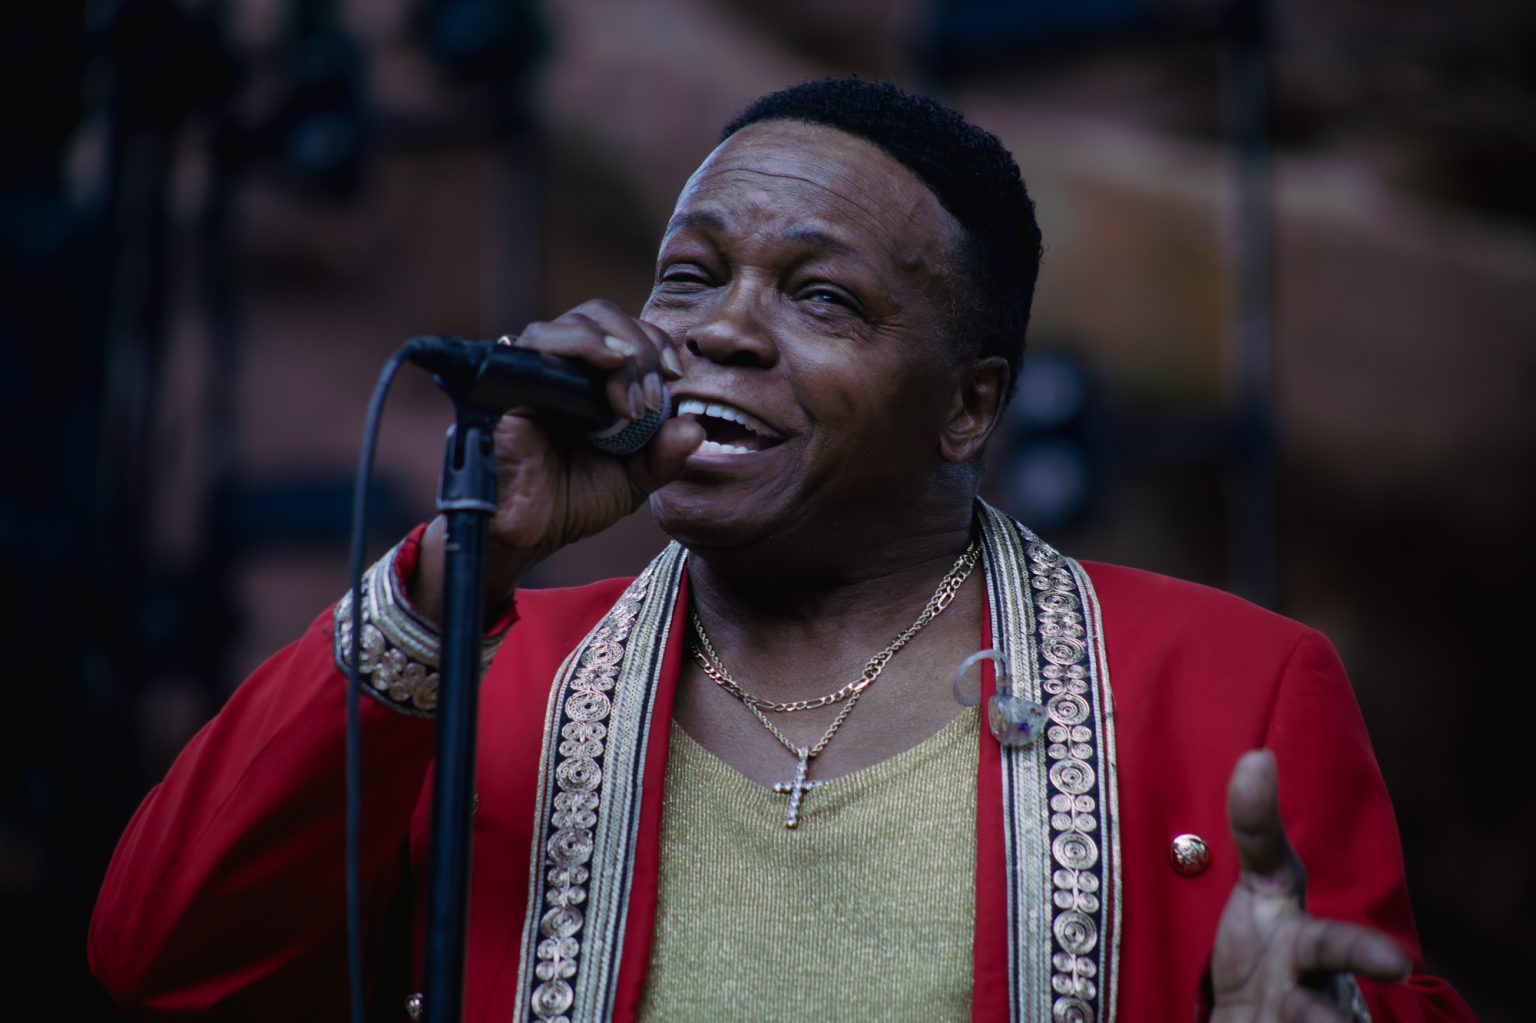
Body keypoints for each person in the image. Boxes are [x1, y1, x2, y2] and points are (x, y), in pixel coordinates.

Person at [89, 78, 1476, 1022]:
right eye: (690, 276)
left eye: (821, 298)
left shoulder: (1235, 685)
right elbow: (163, 961)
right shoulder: (486, 673)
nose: (721, 330)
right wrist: (451, 580)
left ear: (968, 406)